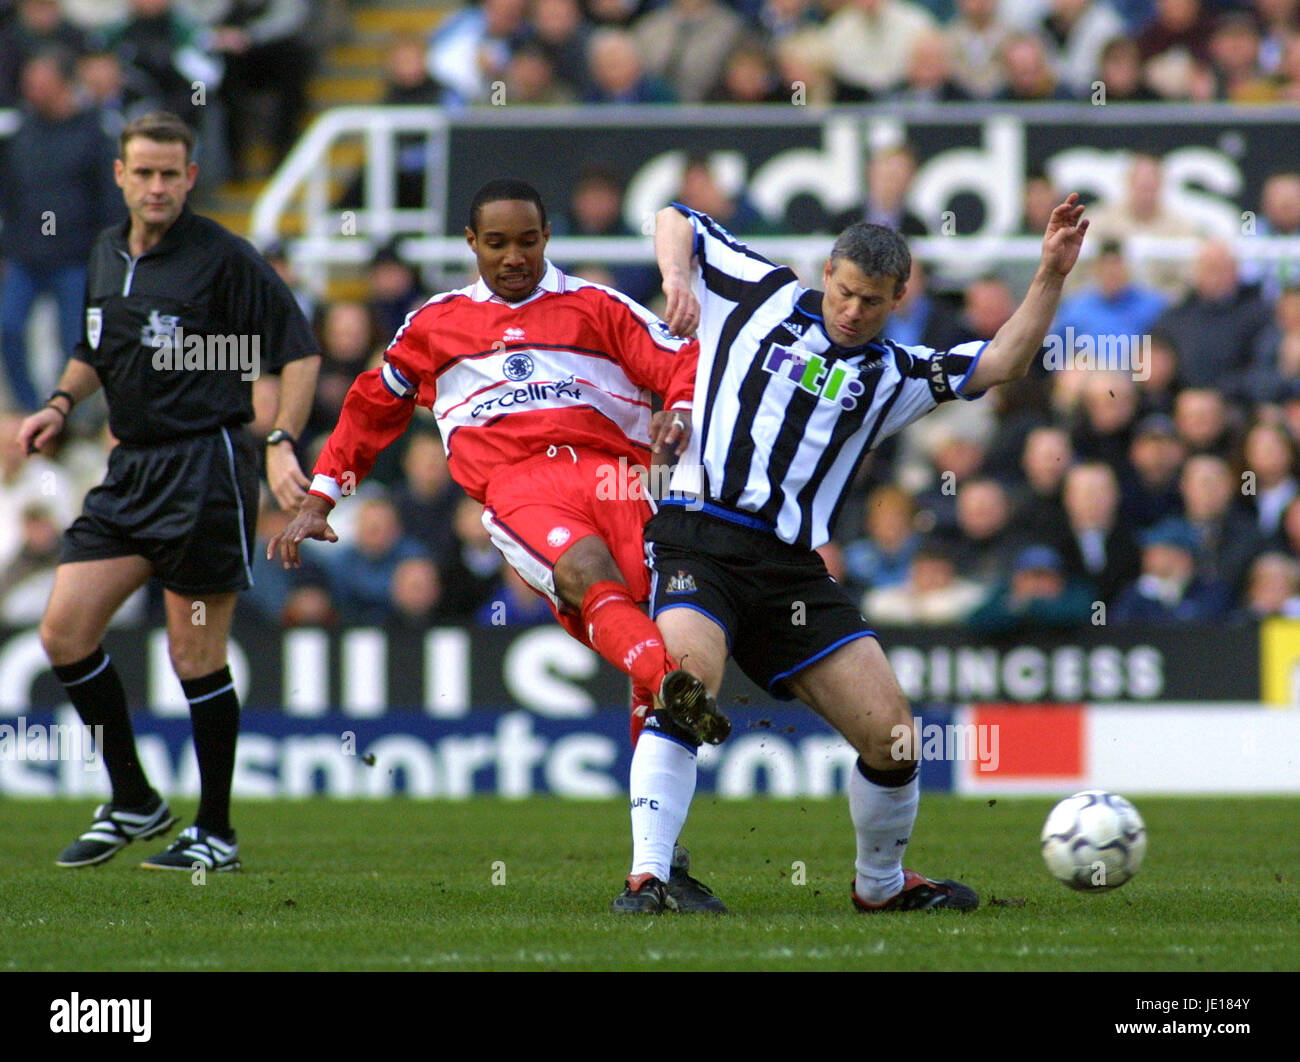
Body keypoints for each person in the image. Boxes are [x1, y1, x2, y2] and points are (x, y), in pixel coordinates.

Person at [268, 179, 727, 914]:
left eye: (528, 241)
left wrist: (674, 414)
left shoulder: (600, 307)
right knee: (584, 575)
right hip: (519, 485)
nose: (515, 257)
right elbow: (370, 408)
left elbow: (681, 363)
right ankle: (677, 681)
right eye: (498, 243)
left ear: (548, 238)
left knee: (642, 647)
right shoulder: (434, 324)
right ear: (470, 244)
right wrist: (322, 496)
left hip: (621, 482)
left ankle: (655, 868)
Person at [642, 188, 1089, 913]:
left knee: (897, 741)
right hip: (700, 535)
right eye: (845, 292)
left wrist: (1050, 274)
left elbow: (1004, 360)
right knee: (687, 688)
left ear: (899, 299)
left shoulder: (895, 374)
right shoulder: (757, 290)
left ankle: (881, 887)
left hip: (789, 568)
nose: (852, 312)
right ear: (826, 273)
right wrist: (674, 279)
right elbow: (674, 216)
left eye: (873, 302)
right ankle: (650, 878)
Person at [15, 111, 321, 871]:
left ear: (190, 177)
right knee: (64, 633)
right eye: (141, 172)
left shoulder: (222, 257)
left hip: (204, 468)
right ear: (120, 176)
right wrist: (58, 404)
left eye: (169, 173)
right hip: (130, 469)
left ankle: (215, 830)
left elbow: (298, 349)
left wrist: (281, 439)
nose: (155, 186)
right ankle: (135, 799)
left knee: (193, 652)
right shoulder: (103, 248)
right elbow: (94, 346)